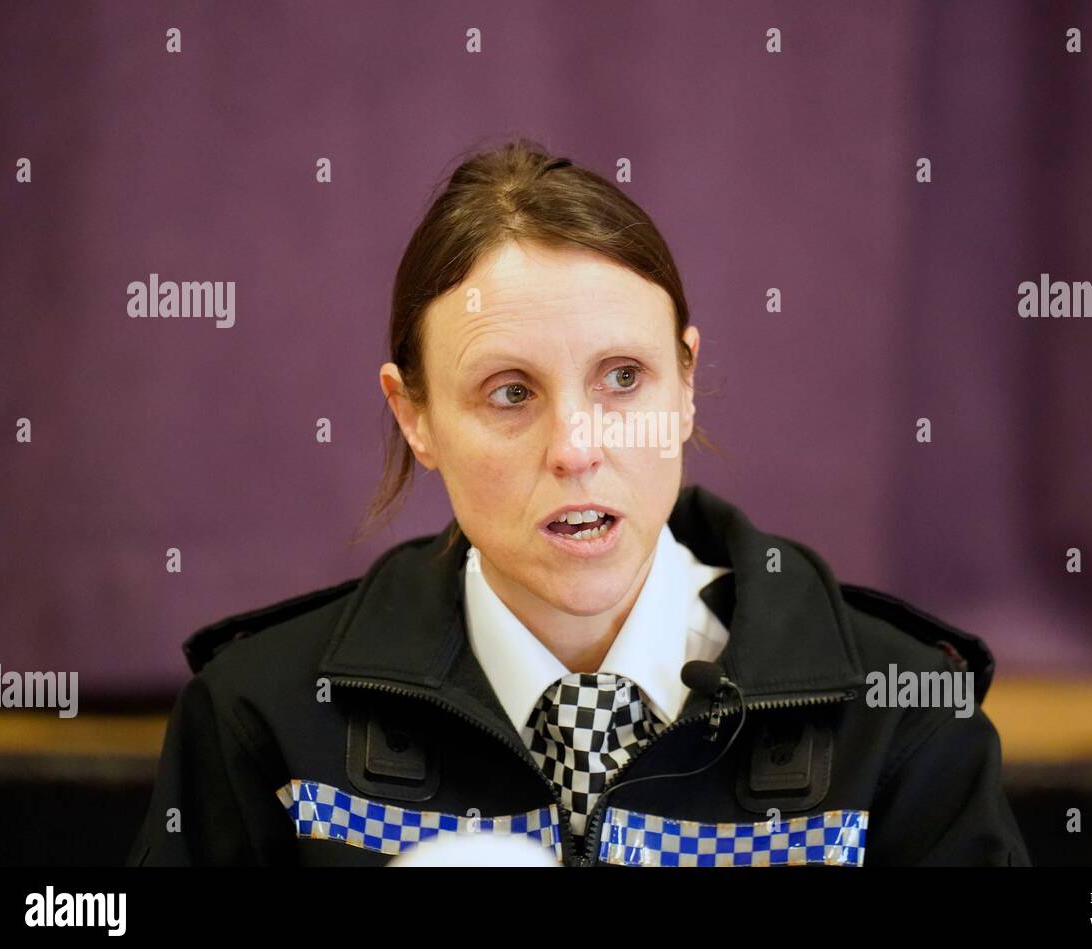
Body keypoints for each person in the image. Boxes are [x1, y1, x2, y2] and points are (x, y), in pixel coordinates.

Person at [127, 138, 1031, 867]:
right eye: (510, 393)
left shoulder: (903, 717)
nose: (577, 449)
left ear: (685, 384)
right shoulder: (262, 719)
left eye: (624, 379)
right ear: (416, 417)